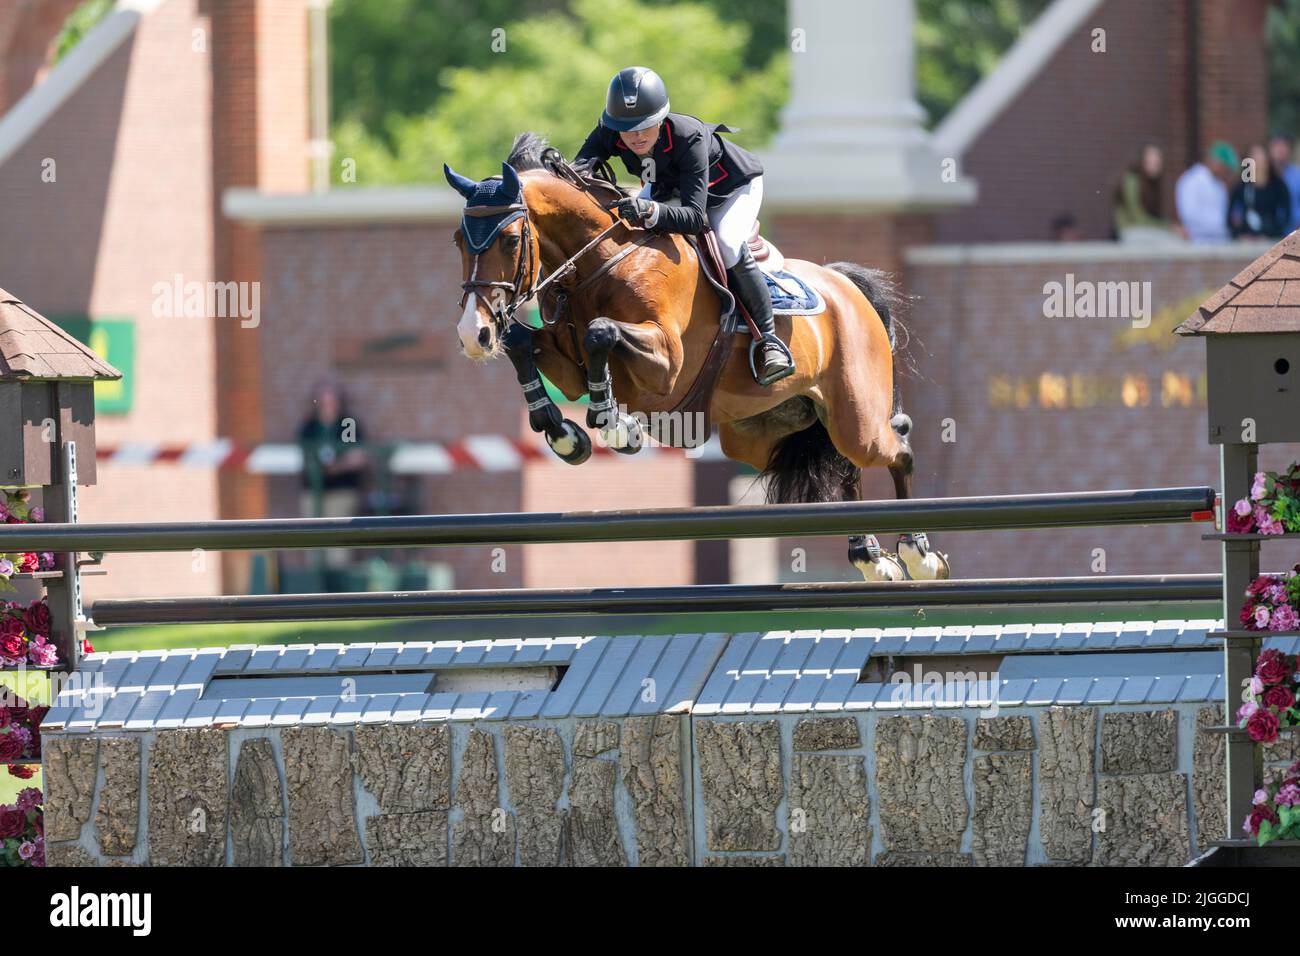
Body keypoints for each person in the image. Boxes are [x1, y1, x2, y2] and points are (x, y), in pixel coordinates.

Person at [573, 66, 793, 386]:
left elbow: (695, 217)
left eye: (645, 126)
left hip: (731, 189)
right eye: (626, 128)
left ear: (661, 119)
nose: (636, 136)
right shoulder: (609, 130)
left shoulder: (688, 136)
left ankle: (769, 340)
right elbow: (578, 174)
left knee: (727, 241)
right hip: (668, 188)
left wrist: (649, 211)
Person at [296, 381, 369, 575]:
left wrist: (334, 467)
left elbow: (357, 456)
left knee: (338, 545)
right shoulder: (310, 425)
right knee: (312, 543)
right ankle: (315, 590)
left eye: (332, 398)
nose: (328, 403)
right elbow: (303, 454)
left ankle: (337, 593)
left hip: (340, 491)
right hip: (313, 492)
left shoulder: (347, 423)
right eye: (324, 398)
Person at [1112, 143, 1182, 238]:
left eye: (1157, 162)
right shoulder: (1131, 180)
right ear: (1141, 161)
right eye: (1150, 161)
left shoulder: (1152, 183)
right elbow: (1137, 217)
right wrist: (1168, 227)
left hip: (1144, 230)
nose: (1154, 165)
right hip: (1130, 230)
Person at [1175, 140, 1237, 242]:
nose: (1226, 173)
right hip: (1198, 243)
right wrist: (1222, 224)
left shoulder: (1220, 185)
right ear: (1216, 161)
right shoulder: (1191, 180)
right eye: (1225, 168)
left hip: (1221, 242)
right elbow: (1189, 214)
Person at [1228, 143, 1292, 240]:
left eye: (1261, 156)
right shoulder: (1242, 186)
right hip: (1246, 241)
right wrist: (1239, 235)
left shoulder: (1278, 185)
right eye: (1254, 156)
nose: (1258, 161)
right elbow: (1230, 214)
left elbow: (1286, 214)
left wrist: (1273, 234)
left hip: (1271, 239)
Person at [1268, 133, 1300, 233]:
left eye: (1284, 146)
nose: (1280, 150)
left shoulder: (1297, 175)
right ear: (1270, 149)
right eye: (1277, 146)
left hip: (1294, 234)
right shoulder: (1263, 175)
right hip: (1268, 235)